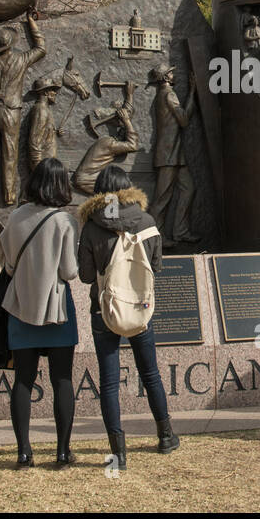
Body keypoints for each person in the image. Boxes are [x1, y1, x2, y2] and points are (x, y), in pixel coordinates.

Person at [77, 164, 179, 470]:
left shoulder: (92, 225)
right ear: (128, 188)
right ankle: (165, 436)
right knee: (151, 374)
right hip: (139, 308)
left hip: (104, 309)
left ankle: (118, 454)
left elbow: (84, 275)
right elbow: (157, 266)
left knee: (109, 383)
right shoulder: (147, 222)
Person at [0, 159, 79, 469]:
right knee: (62, 379)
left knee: (23, 380)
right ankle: (62, 450)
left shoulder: (15, 217)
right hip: (56, 307)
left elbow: (7, 265)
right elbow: (69, 272)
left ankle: (23, 451)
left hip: (20, 305)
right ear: (61, 185)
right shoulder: (65, 222)